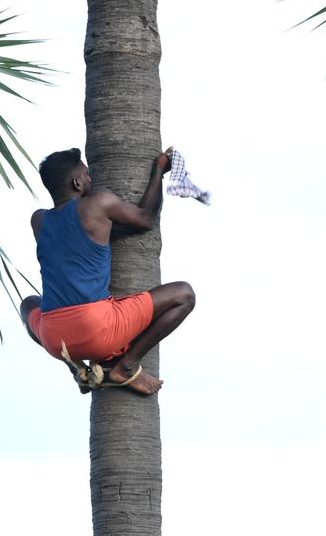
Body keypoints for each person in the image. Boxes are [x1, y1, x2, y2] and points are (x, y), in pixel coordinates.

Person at [20, 147, 195, 397]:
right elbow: (145, 219)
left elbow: (78, 239)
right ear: (77, 182)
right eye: (87, 174)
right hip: (96, 328)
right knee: (184, 294)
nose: (91, 178)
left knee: (28, 304)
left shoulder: (38, 220)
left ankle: (75, 368)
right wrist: (158, 171)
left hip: (54, 338)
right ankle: (127, 366)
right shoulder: (98, 204)